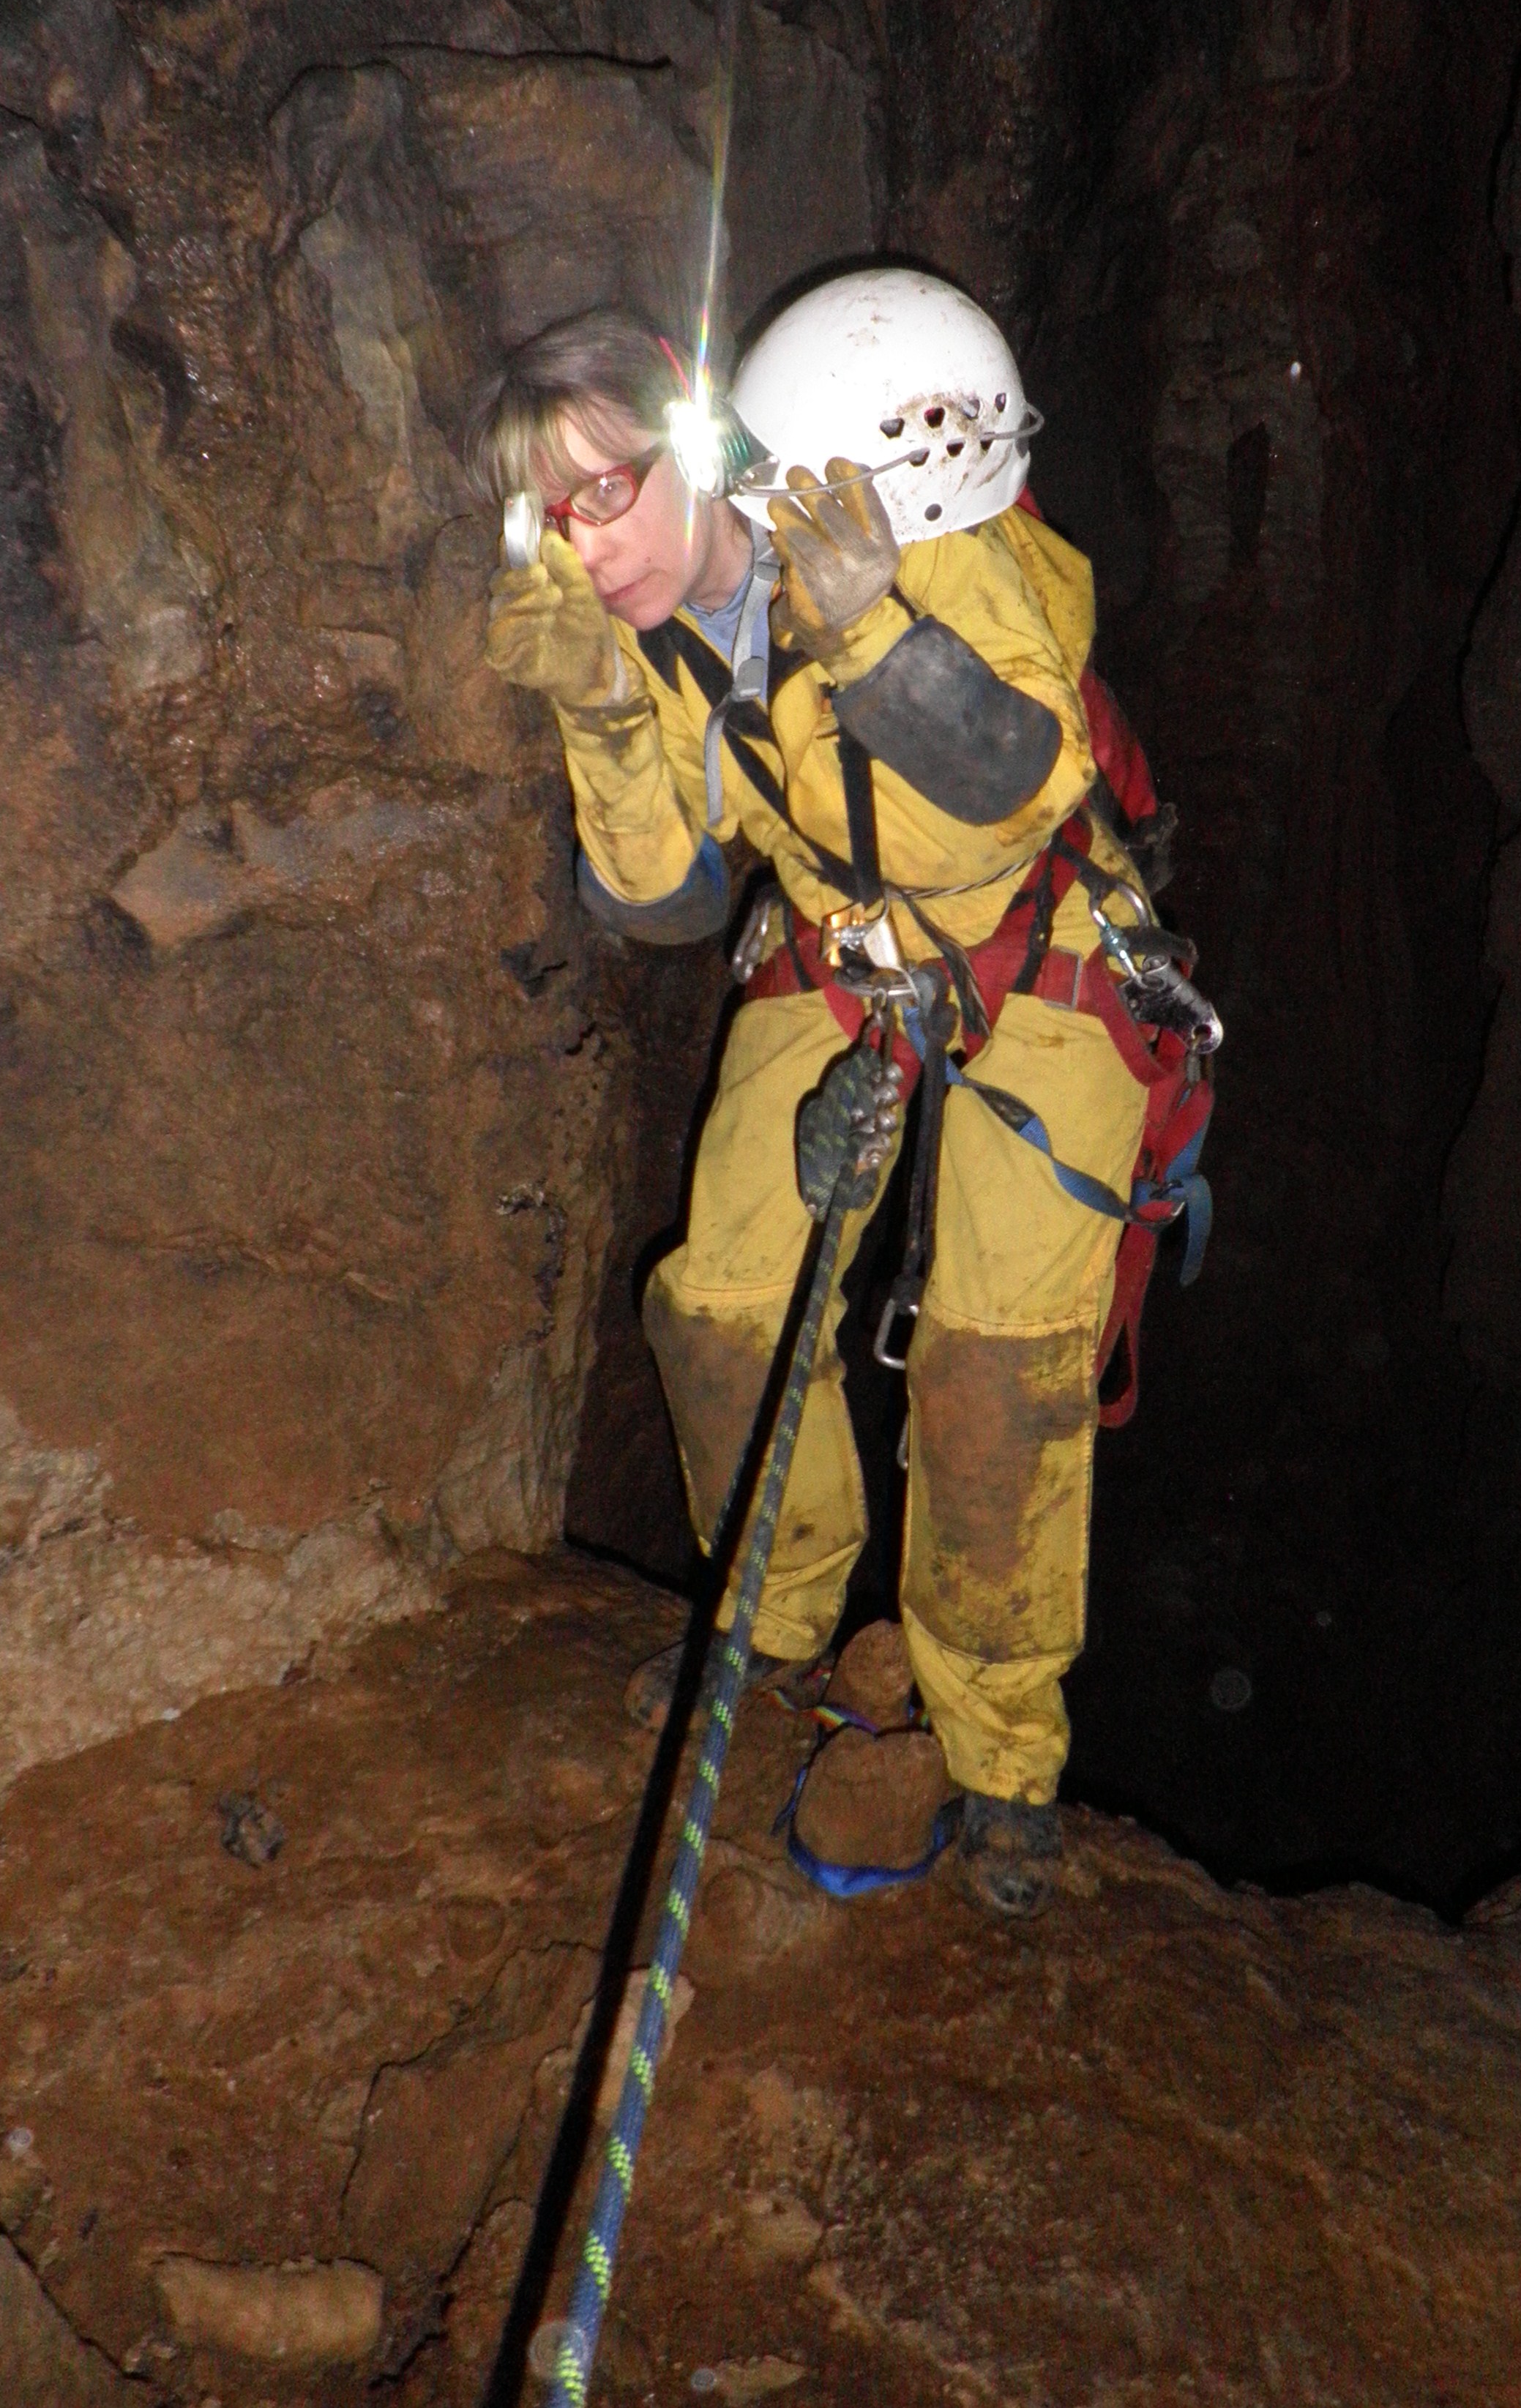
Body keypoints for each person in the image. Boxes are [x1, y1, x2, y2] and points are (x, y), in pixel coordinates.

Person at [466, 272, 1157, 1918]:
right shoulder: (643, 633)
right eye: (545, 514)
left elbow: (990, 820)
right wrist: (593, 702)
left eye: (607, 485)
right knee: (715, 1309)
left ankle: (996, 1754)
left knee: (990, 1376)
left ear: (704, 440)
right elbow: (659, 893)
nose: (586, 541)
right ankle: (766, 1631)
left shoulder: (925, 527)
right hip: (837, 945)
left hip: (1036, 943)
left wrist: (872, 642)